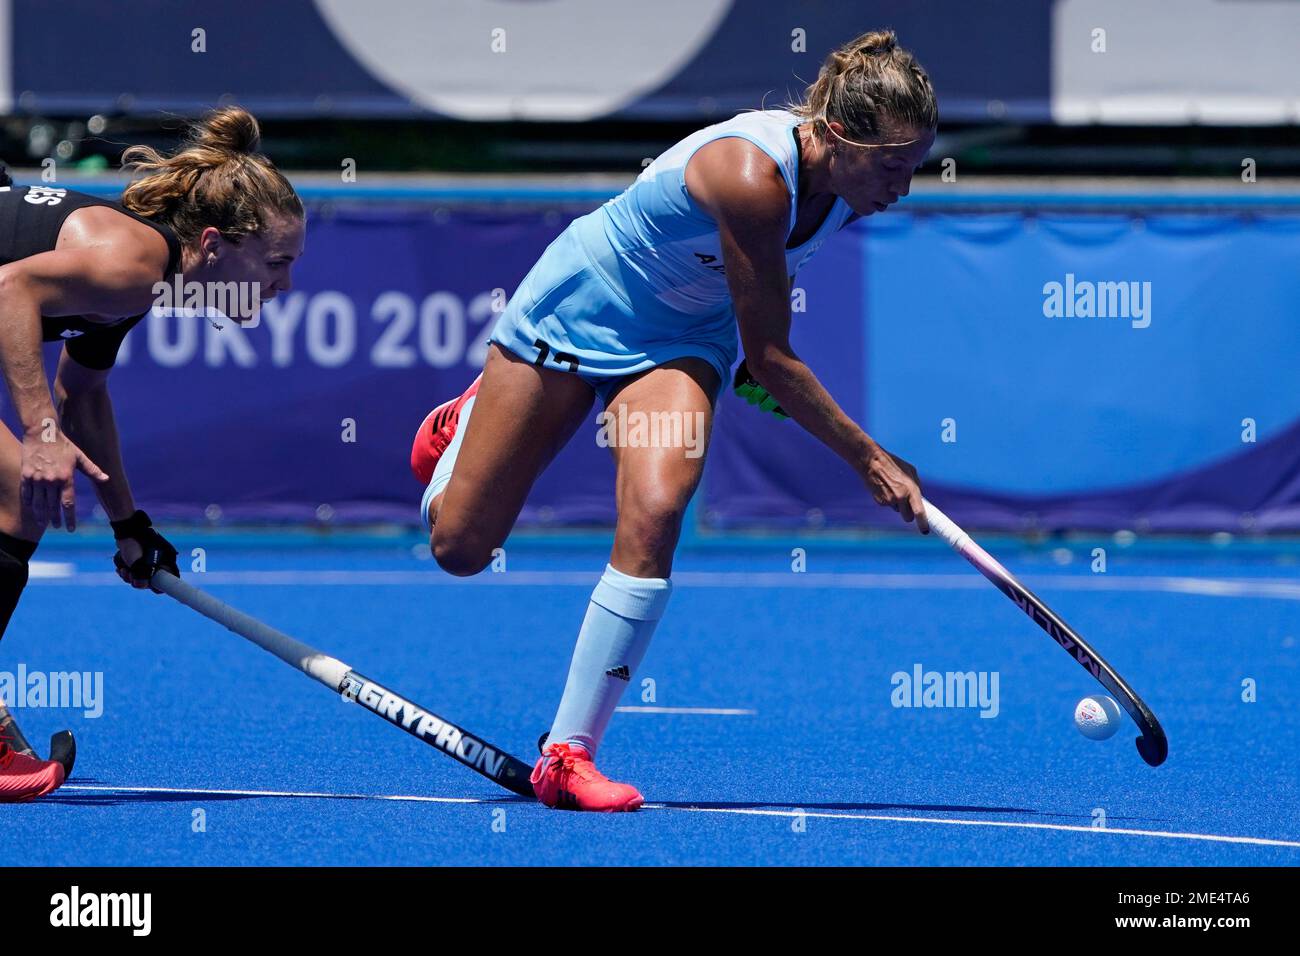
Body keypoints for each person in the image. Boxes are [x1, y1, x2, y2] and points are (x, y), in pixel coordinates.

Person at [410, 30, 936, 811]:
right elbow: (774, 351)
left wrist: (754, 363)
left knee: (657, 513)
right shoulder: (751, 175)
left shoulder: (851, 193)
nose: (903, 185)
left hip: (680, 343)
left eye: (915, 165)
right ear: (834, 136)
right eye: (892, 166)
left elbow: (755, 322)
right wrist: (868, 457)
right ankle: (474, 414)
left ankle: (566, 756)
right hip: (580, 305)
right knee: (459, 548)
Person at [0, 107, 304, 801]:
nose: (285, 285)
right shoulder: (134, 267)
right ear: (214, 246)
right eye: (278, 263)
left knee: (21, 495)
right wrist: (41, 433)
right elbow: (10, 290)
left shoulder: (144, 280)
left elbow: (82, 395)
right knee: (22, 490)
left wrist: (128, 526)